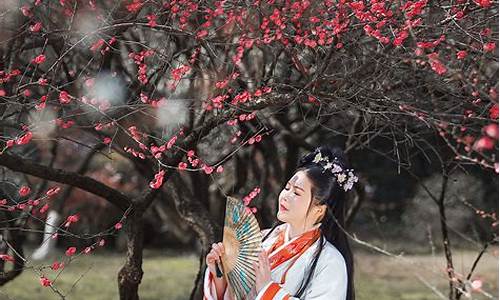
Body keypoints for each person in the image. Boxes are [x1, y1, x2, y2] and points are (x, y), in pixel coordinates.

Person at [204, 146, 357, 300]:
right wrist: (220, 275)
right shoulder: (261, 239)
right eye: (287, 187)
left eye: (296, 192)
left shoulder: (330, 263)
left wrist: (268, 290)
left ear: (319, 210)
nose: (285, 196)